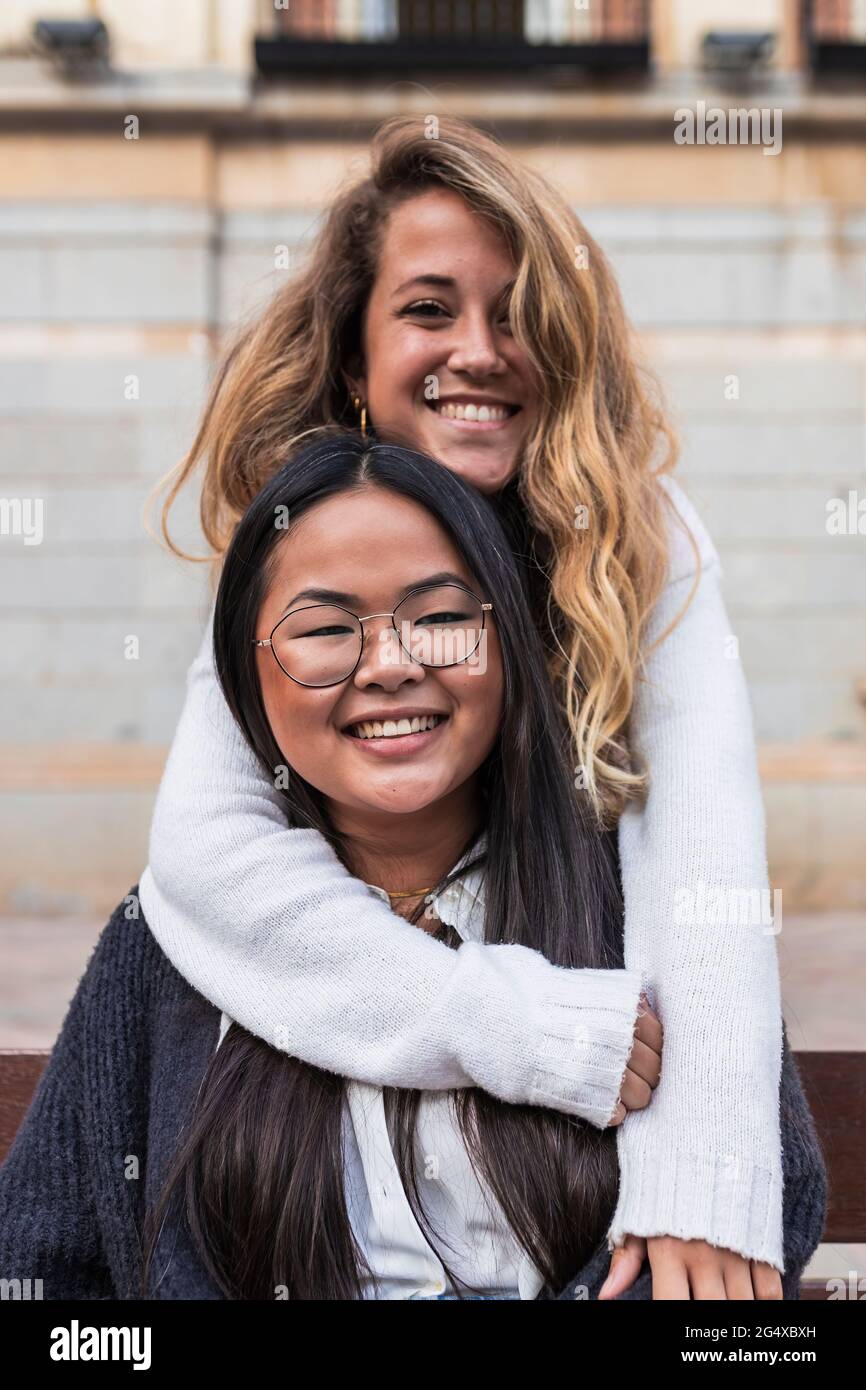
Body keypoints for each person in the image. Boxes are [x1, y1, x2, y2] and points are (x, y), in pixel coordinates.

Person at [140, 115, 794, 1295]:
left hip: (559, 1005)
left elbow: (701, 855)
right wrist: (519, 1025)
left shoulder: (640, 540)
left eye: (518, 314)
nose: (480, 349)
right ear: (354, 357)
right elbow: (207, 851)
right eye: (429, 309)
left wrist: (699, 1174)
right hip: (350, 1079)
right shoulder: (297, 545)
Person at [0, 439, 827, 1300]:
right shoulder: (176, 939)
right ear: (243, 682)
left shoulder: (634, 924)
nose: (392, 665)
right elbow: (40, 1272)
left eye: (440, 618)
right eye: (323, 630)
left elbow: (758, 1236)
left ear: (509, 645)